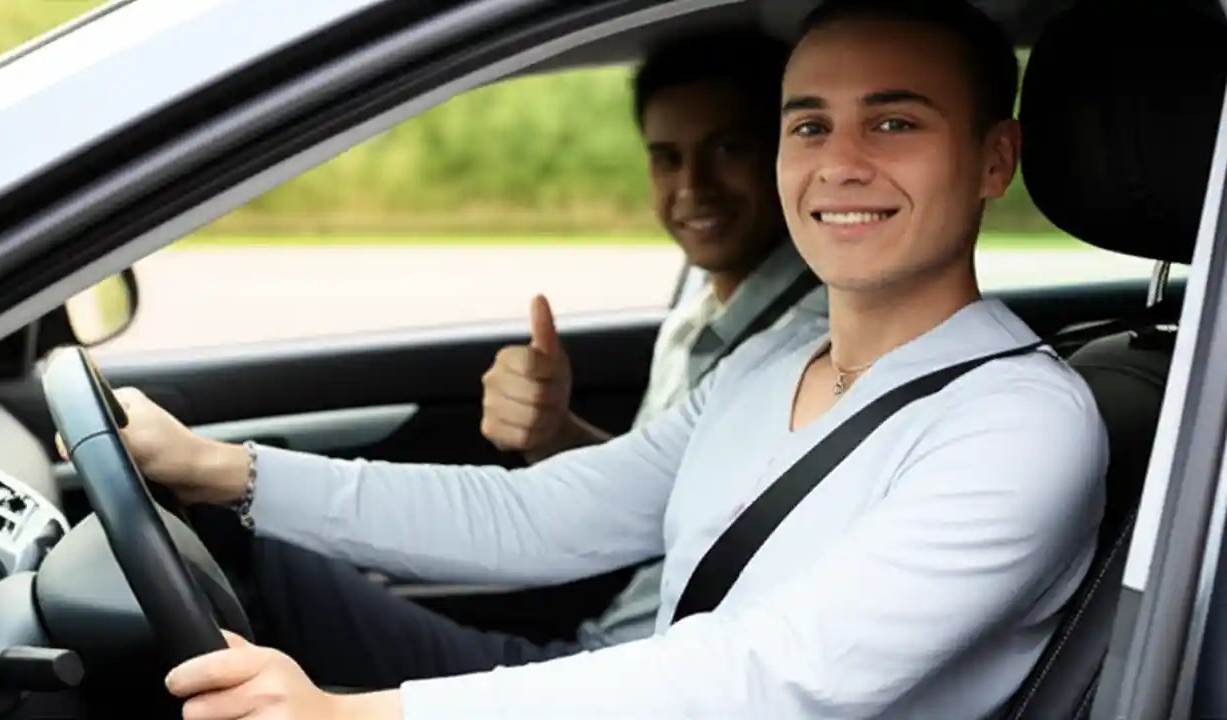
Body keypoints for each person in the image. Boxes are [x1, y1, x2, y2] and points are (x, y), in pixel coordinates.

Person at [140, 0, 1111, 717]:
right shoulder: (770, 360)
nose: (839, 162)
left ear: (993, 160)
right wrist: (226, 471)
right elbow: (533, 518)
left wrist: (359, 713)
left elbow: (769, 675)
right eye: (808, 124)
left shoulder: (1019, 424)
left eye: (893, 123)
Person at [477, 29, 829, 654]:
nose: (693, 186)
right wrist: (555, 432)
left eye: (727, 149)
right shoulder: (692, 323)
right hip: (599, 650)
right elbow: (654, 500)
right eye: (667, 157)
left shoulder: (820, 342)